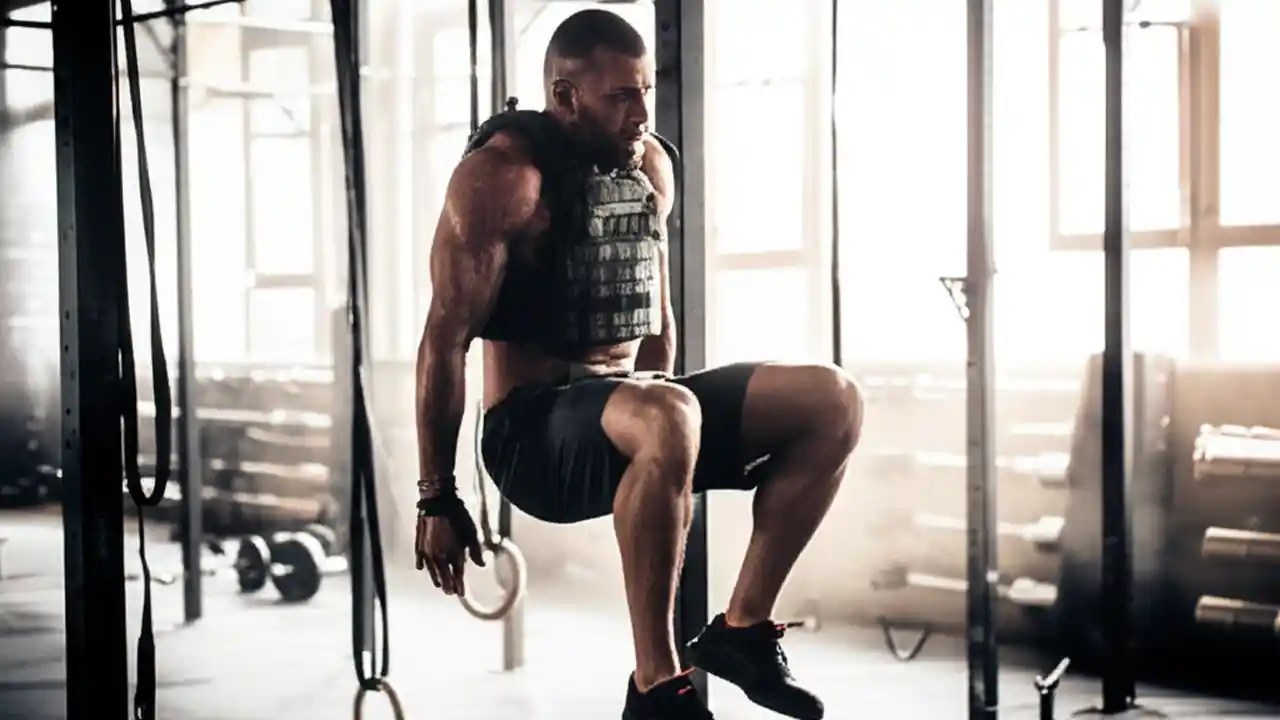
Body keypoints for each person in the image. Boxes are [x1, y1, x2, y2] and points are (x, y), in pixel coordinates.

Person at [412, 9, 863, 720]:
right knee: (667, 410)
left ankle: (742, 630)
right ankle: (658, 685)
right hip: (532, 439)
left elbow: (650, 302)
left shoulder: (648, 163)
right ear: (565, 98)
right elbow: (444, 338)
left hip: (641, 412)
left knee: (831, 399)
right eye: (621, 96)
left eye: (646, 90)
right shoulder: (501, 178)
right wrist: (436, 494)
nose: (642, 113)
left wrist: (669, 434)